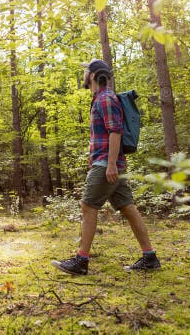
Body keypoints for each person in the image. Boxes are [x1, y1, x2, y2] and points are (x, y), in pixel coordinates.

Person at [51, 59, 161, 275]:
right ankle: (150, 257)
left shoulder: (106, 99)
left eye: (85, 72)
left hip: (105, 164)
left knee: (88, 206)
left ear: (92, 75)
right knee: (128, 208)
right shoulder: (101, 98)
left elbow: (116, 131)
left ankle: (81, 261)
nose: (84, 75)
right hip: (110, 163)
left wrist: (110, 164)